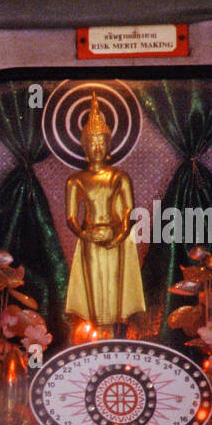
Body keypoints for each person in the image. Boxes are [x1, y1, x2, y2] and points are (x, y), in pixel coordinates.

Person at [64, 92, 145, 338]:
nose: (97, 147)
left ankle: (117, 334)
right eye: (92, 142)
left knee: (115, 290)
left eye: (101, 142)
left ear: (109, 145)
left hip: (114, 237)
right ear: (85, 147)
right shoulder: (76, 180)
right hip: (90, 238)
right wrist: (85, 234)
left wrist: (119, 236)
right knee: (94, 292)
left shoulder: (119, 176)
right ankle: (96, 335)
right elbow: (70, 217)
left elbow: (129, 211)